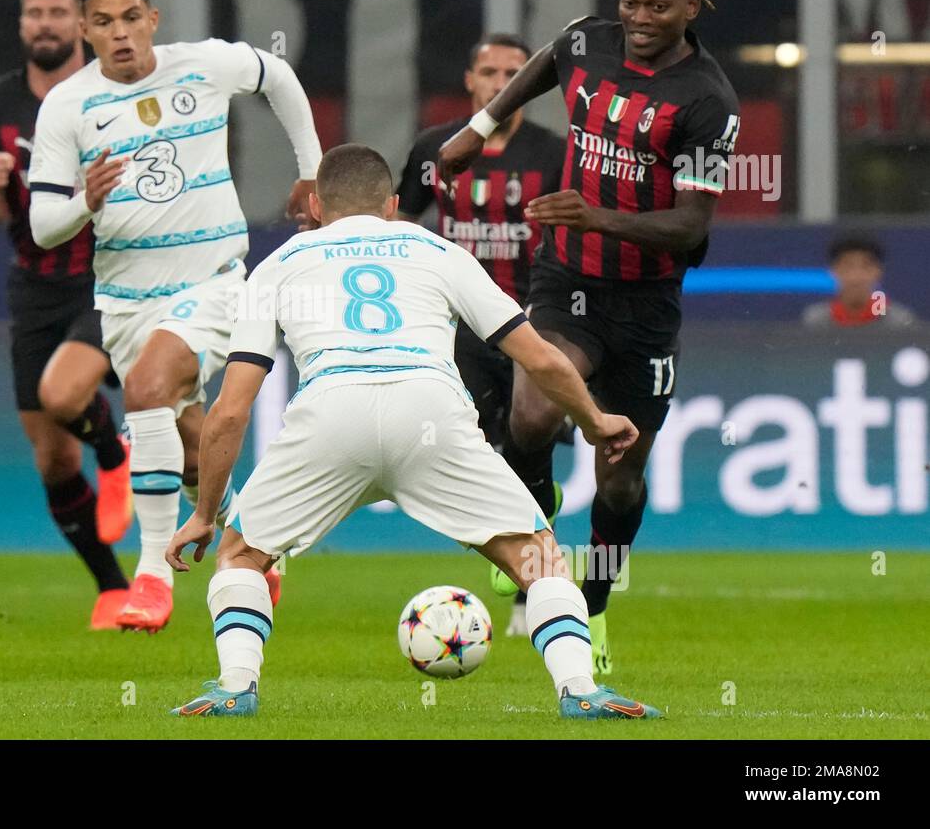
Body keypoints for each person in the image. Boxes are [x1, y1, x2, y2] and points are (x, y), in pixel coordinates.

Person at [165, 143, 660, 720]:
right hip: (429, 411)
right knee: (539, 562)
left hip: (331, 412)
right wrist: (595, 421)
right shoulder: (437, 250)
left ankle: (235, 688)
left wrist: (204, 514)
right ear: (395, 204)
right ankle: (581, 691)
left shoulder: (280, 262)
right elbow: (543, 359)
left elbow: (230, 408)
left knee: (242, 557)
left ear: (319, 205)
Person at [438, 0, 740, 674]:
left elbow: (691, 225)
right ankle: (534, 538)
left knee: (621, 471)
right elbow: (547, 62)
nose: (639, 17)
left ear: (693, 7)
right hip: (565, 277)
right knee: (531, 411)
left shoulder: (708, 102)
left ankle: (595, 608)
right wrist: (479, 126)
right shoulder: (587, 42)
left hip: (644, 305)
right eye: (630, 1)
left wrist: (594, 213)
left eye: (659, 6)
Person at [28, 0, 322, 631]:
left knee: (146, 386)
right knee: (190, 451)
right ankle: (255, 546)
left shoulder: (204, 66)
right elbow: (45, 226)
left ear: (152, 19)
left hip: (213, 282)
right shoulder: (68, 106)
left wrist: (310, 170)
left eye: (131, 17)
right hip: (126, 300)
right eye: (103, 22)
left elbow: (277, 76)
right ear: (84, 30)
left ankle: (153, 576)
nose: (120, 33)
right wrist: (86, 200)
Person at [0, 0, 131, 629]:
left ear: (83, 26)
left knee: (92, 404)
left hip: (109, 277)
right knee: (55, 455)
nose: (46, 24)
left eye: (60, 13)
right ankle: (114, 588)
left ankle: (119, 455)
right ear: (22, 24)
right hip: (34, 287)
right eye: (36, 13)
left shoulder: (112, 95)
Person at [398, 34, 569, 636]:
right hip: (462, 327)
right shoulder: (432, 149)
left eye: (513, 72)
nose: (500, 82)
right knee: (483, 450)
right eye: (489, 71)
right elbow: (398, 225)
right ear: (470, 80)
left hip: (532, 319)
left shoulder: (553, 151)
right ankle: (531, 576)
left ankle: (532, 578)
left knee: (528, 442)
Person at [801, 235, 916, 329]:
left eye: (866, 266)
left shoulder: (898, 321)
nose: (856, 276)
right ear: (834, 270)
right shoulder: (816, 320)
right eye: (848, 266)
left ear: (878, 271)